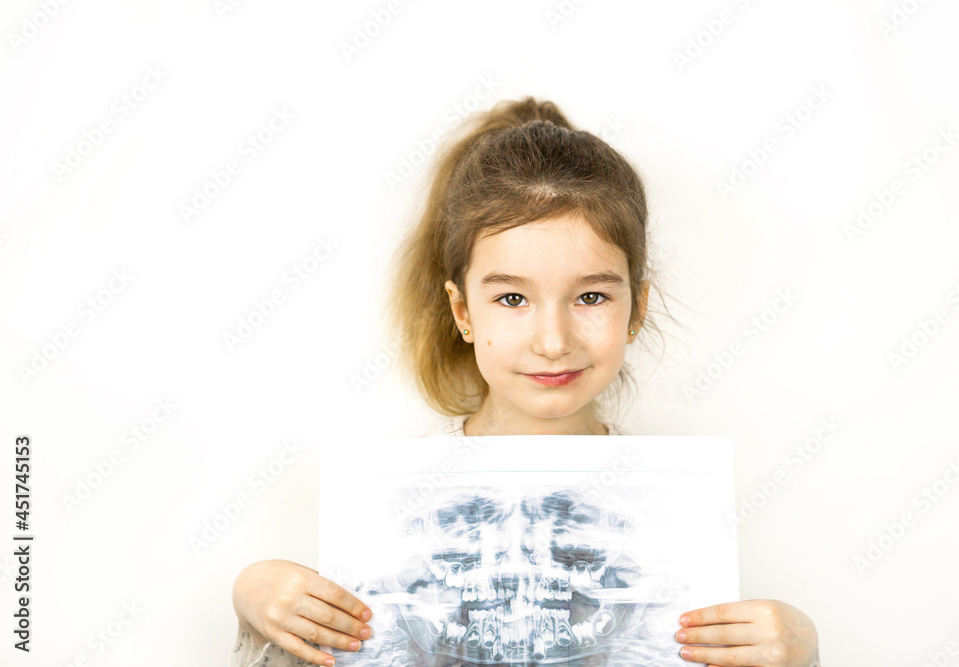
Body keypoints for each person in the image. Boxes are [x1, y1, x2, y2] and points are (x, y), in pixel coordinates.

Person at [230, 96, 821, 667]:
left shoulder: (678, 526)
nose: (553, 340)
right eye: (512, 298)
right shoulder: (391, 512)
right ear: (463, 312)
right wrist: (257, 609)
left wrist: (802, 655)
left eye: (591, 296)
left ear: (636, 309)